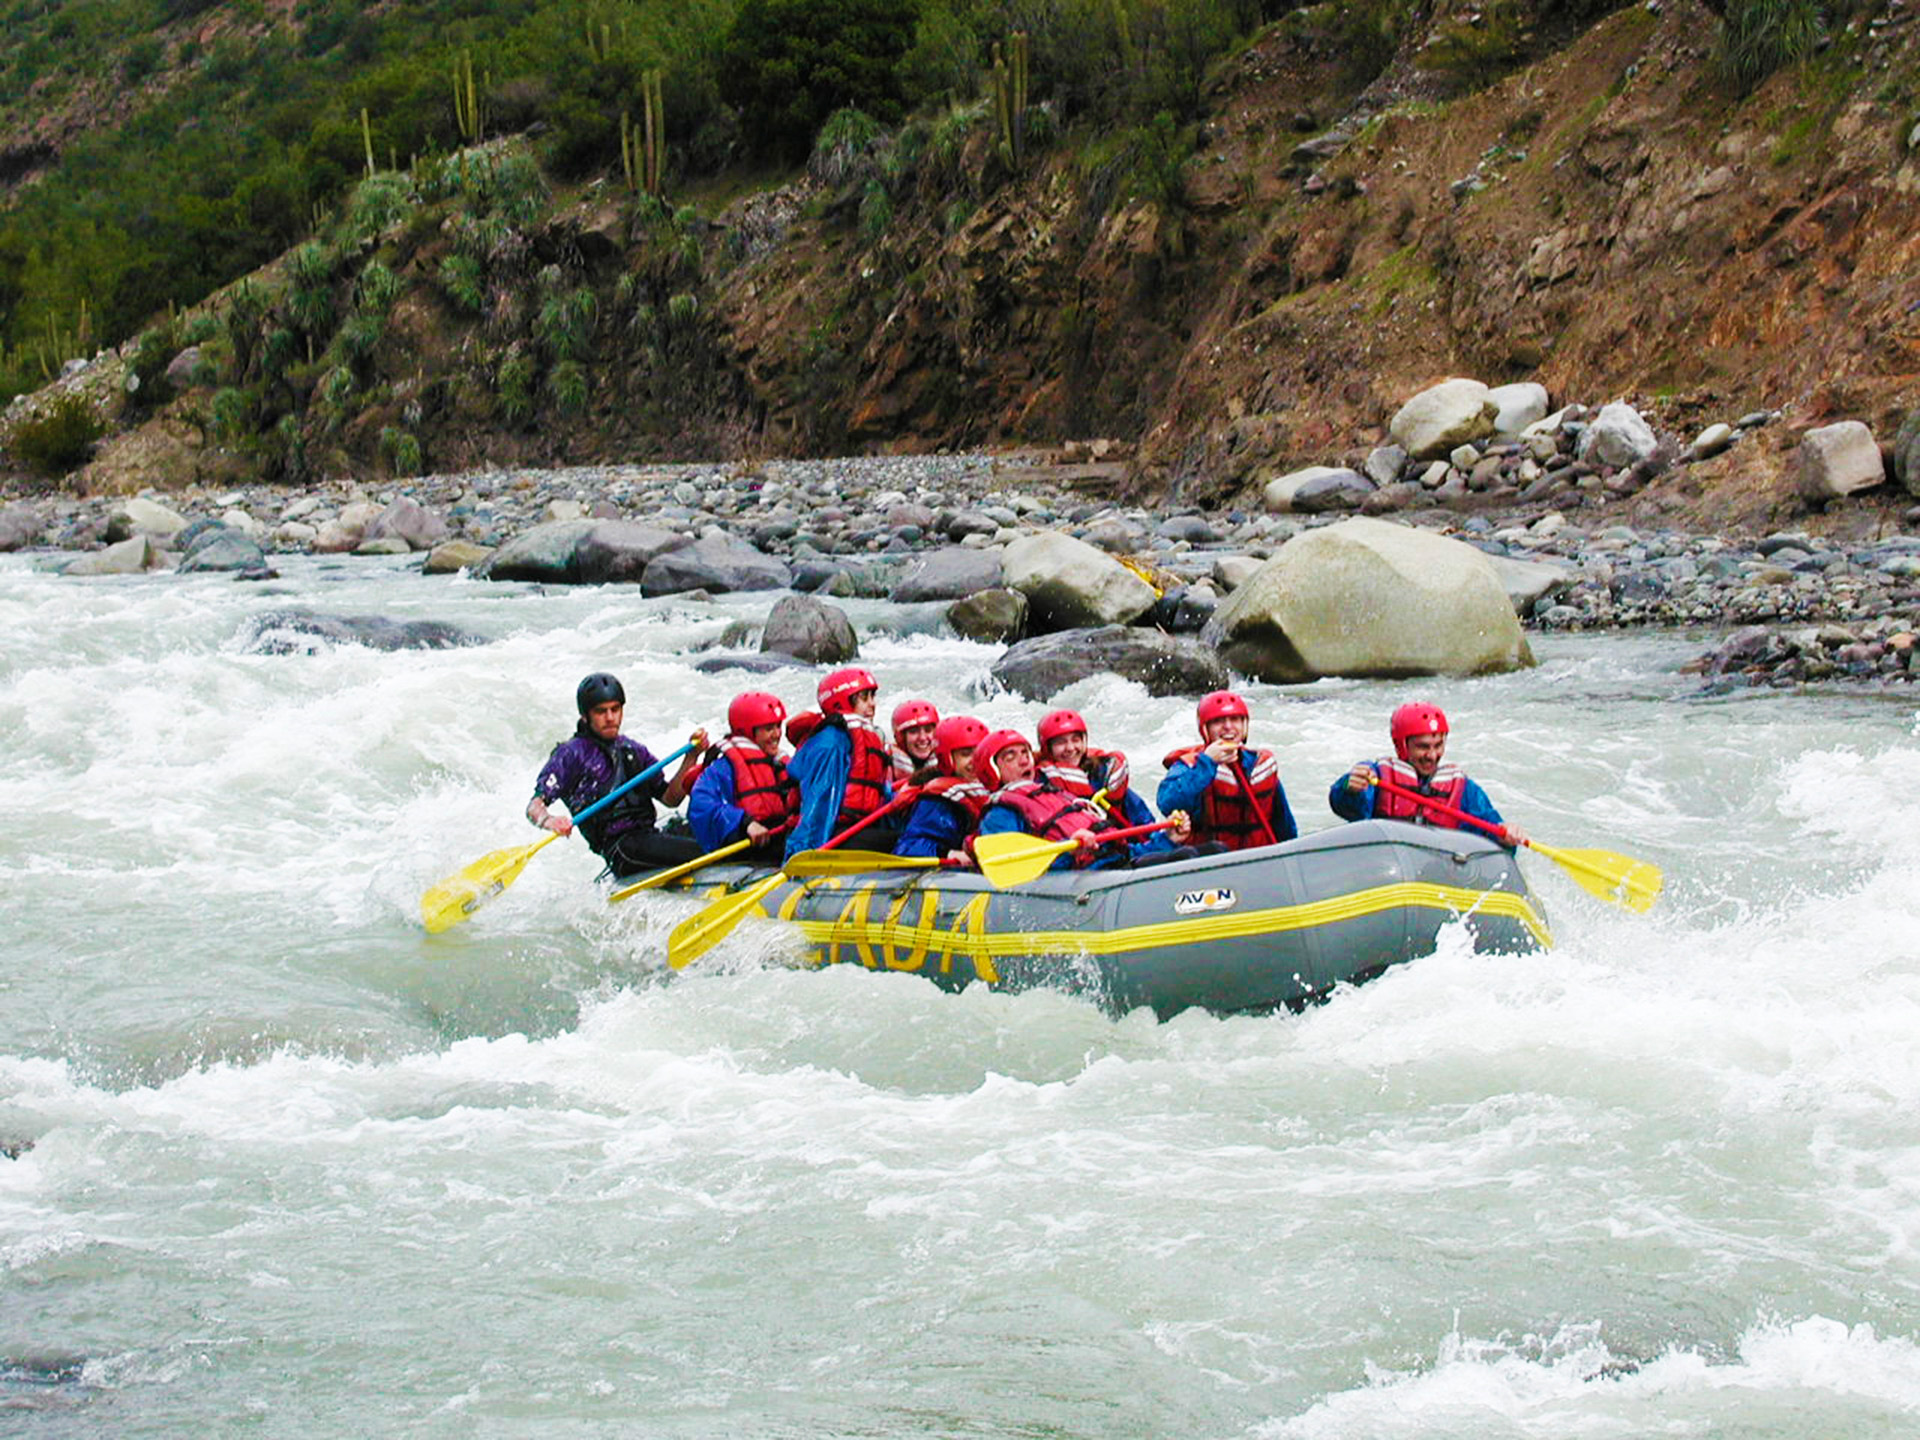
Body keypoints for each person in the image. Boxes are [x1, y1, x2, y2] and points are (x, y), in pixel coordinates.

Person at [527, 672, 707, 878]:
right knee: (703, 849)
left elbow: (670, 799)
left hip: (649, 836)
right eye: (601, 712)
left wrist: (692, 756)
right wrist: (549, 821)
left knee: (716, 830)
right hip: (621, 849)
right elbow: (534, 806)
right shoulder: (571, 754)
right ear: (585, 716)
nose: (610, 718)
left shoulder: (632, 749)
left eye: (615, 709)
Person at [973, 730, 1191, 871]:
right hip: (1090, 883)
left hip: (1115, 866)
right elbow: (1014, 868)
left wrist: (1168, 839)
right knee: (1186, 858)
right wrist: (1069, 852)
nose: (1023, 761)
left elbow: (1121, 850)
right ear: (992, 770)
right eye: (1010, 756)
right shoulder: (1000, 814)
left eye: (1025, 752)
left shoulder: (1060, 796)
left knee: (1208, 851)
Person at [1329, 702, 1528, 845]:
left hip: (1437, 872)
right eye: (1423, 747)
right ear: (1402, 746)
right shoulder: (1375, 775)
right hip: (1387, 870)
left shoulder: (1464, 789)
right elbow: (1344, 804)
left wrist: (1505, 834)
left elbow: (1489, 827)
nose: (1432, 755)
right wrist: (1350, 788)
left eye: (1438, 745)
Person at [1157, 690, 1298, 851]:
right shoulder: (1189, 767)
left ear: (1244, 726)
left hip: (1258, 860)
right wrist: (1208, 762)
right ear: (1205, 730)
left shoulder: (1260, 767)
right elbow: (1167, 803)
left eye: (1235, 719)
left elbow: (1285, 825)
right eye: (1218, 721)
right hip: (1210, 862)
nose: (1228, 727)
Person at [784, 666, 897, 857]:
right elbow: (818, 804)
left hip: (852, 827)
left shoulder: (861, 737)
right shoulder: (831, 743)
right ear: (840, 702)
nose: (872, 704)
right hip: (829, 835)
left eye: (872, 696)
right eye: (864, 698)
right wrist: (805, 855)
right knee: (902, 841)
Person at [687, 690, 800, 861]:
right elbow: (701, 805)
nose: (777, 734)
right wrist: (746, 823)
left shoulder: (781, 763)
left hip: (778, 836)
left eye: (778, 726)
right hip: (747, 844)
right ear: (747, 731)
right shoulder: (723, 768)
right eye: (769, 729)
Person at [1035, 707, 1155, 828]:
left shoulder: (1102, 773)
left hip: (1116, 841)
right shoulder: (1040, 784)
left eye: (1075, 740)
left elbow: (1143, 819)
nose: (1070, 748)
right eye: (1061, 742)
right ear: (1047, 748)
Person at [895, 715, 991, 863]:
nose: (975, 761)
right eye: (965, 754)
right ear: (947, 758)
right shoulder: (937, 801)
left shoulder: (995, 788)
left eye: (979, 753)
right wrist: (948, 853)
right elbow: (908, 847)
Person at [889, 698, 941, 786]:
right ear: (900, 737)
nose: (922, 738)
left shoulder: (948, 767)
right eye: (914, 731)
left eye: (928, 730)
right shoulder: (886, 768)